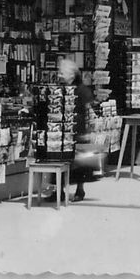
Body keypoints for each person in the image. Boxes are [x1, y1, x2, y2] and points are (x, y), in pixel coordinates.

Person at [45, 58, 94, 203]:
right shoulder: (60, 89)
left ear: (71, 75)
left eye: (62, 73)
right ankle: (58, 190)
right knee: (58, 159)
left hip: (77, 130)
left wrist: (88, 131)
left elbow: (89, 109)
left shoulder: (81, 89)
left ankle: (80, 190)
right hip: (61, 129)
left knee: (78, 164)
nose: (59, 75)